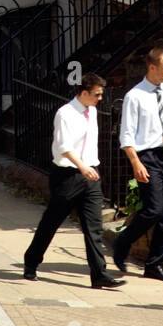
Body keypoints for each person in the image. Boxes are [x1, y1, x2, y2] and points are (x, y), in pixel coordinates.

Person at [23, 72, 124, 290]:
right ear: (84, 93)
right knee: (51, 223)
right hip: (68, 176)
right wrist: (82, 167)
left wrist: (89, 168)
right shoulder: (65, 114)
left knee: (94, 227)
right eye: (96, 94)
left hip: (91, 175)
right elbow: (64, 147)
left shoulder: (93, 111)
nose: (100, 98)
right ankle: (31, 262)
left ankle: (99, 275)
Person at [113, 47, 163, 282]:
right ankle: (122, 241)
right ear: (152, 67)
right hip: (148, 157)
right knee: (154, 209)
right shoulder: (135, 96)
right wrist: (136, 163)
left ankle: (154, 265)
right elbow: (126, 135)